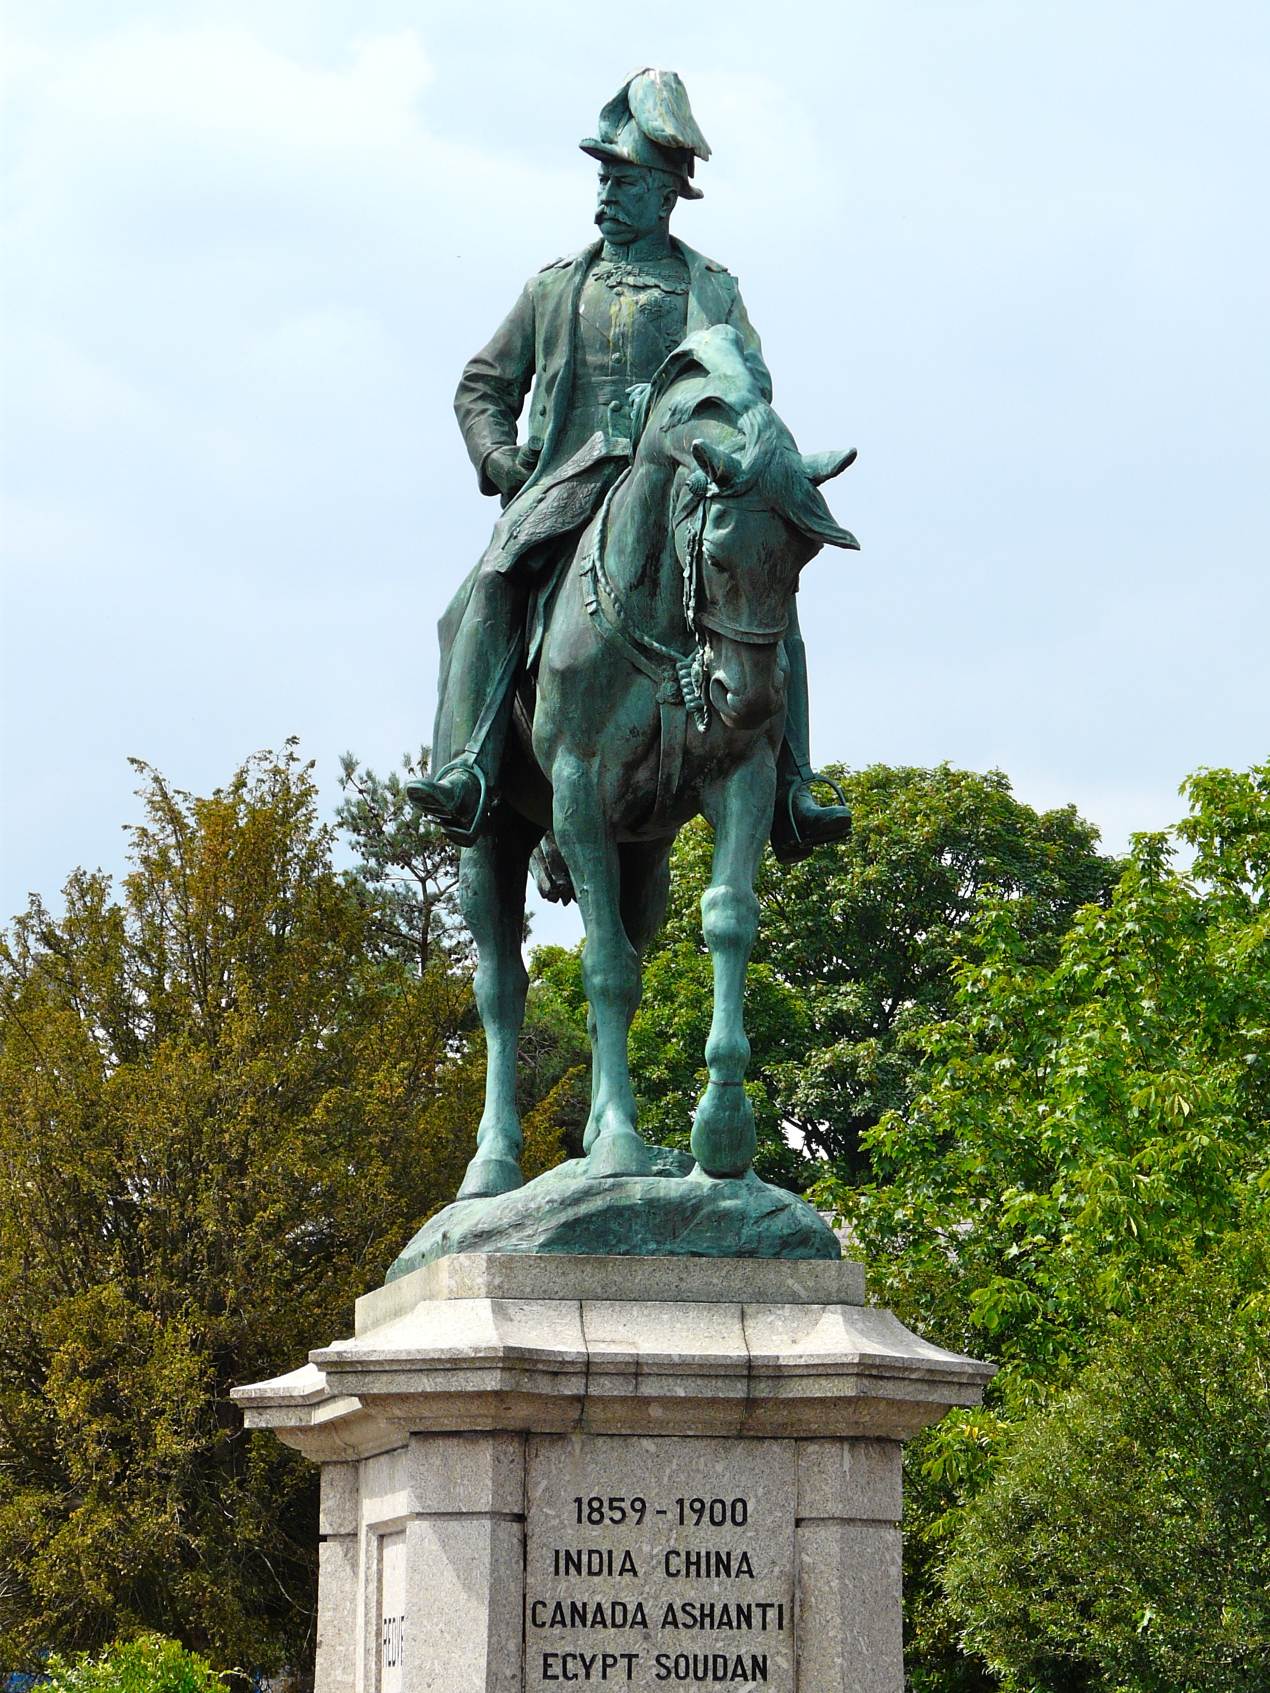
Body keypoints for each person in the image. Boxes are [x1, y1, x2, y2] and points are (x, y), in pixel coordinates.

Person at [409, 67, 851, 863]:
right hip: (567, 481)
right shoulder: (554, 287)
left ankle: (793, 783)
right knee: (480, 591)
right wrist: (502, 458)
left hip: (684, 488)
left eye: (623, 180)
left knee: (767, 598)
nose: (605, 195)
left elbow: (751, 388)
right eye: (603, 179)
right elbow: (482, 383)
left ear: (664, 194)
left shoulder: (712, 288)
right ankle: (469, 766)